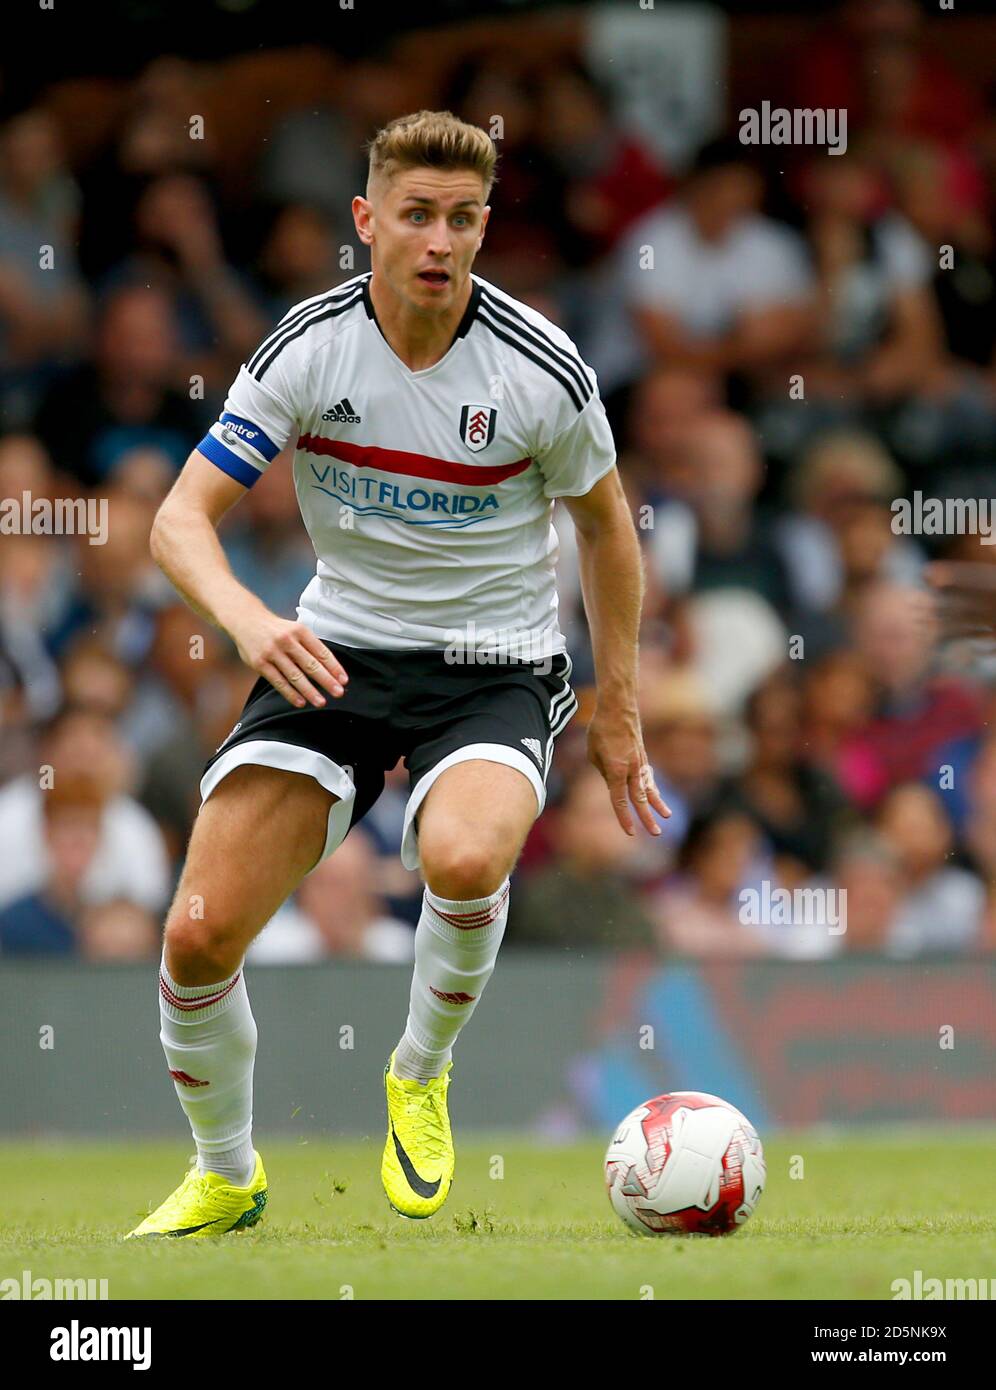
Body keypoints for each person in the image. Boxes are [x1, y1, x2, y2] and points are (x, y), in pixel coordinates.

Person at [126, 110, 668, 1239]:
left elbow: (611, 536)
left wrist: (619, 708)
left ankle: (419, 1069)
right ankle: (227, 1172)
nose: (440, 240)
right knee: (193, 935)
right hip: (335, 652)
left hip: (494, 664)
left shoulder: (540, 369)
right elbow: (179, 521)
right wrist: (244, 618)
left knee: (461, 853)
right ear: (368, 220)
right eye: (416, 215)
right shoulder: (309, 348)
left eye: (463, 219)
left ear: (482, 229)